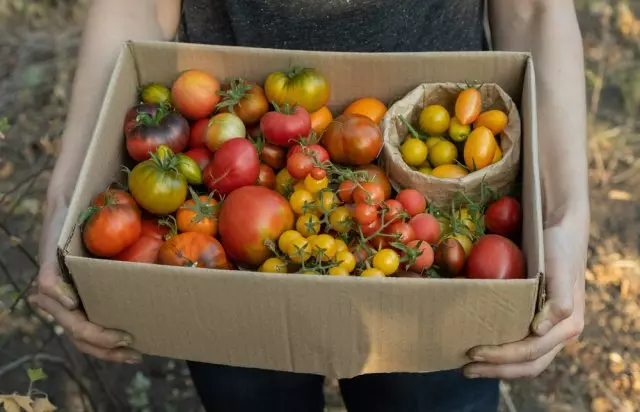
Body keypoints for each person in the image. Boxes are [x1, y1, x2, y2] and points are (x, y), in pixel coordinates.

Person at [31, 0, 588, 411]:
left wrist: (565, 217)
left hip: (433, 258)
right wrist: (66, 198)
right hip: (230, 227)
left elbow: (536, 9)